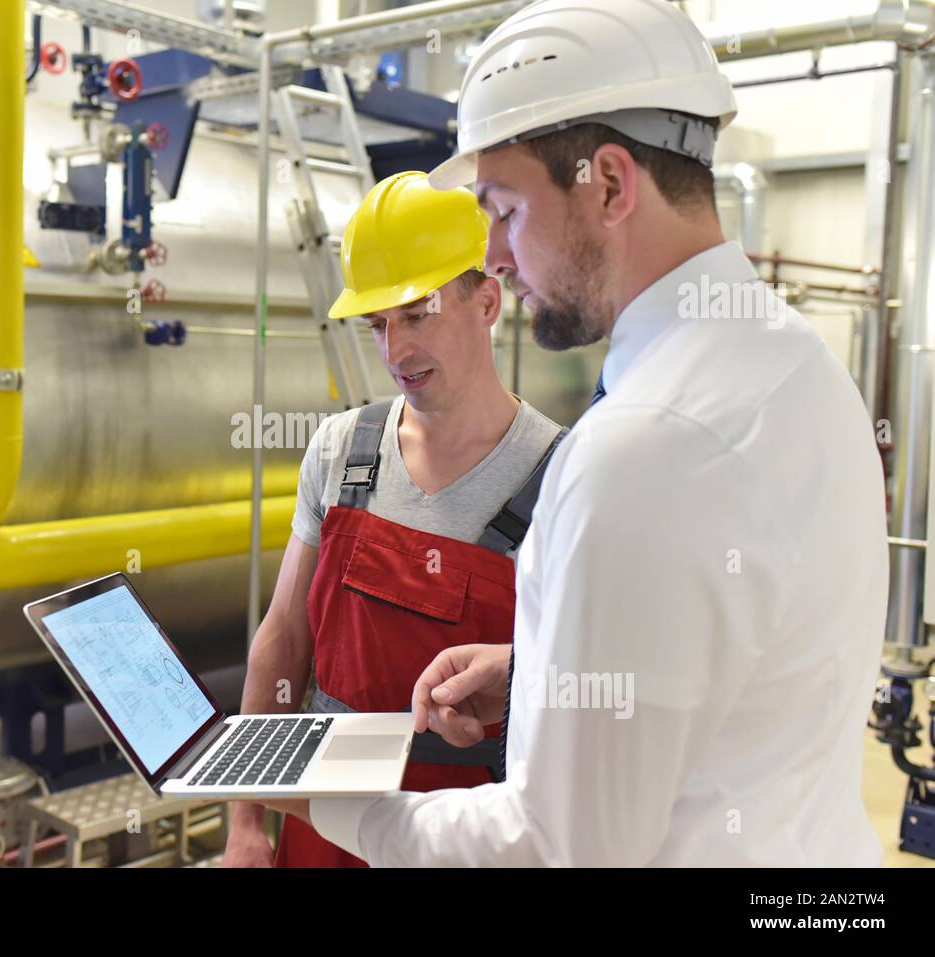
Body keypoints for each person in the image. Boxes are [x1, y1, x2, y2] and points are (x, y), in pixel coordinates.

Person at [259, 0, 888, 866]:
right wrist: (545, 679)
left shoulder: (638, 447)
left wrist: (347, 811)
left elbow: (559, 847)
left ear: (611, 184)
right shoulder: (799, 369)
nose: (498, 256)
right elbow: (735, 682)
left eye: (506, 211)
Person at [222, 171, 564, 868]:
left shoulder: (560, 477)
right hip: (322, 823)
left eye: (417, 313)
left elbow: (578, 695)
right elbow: (283, 637)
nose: (394, 351)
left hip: (460, 837)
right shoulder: (342, 450)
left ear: (488, 300)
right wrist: (246, 822)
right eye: (378, 324)